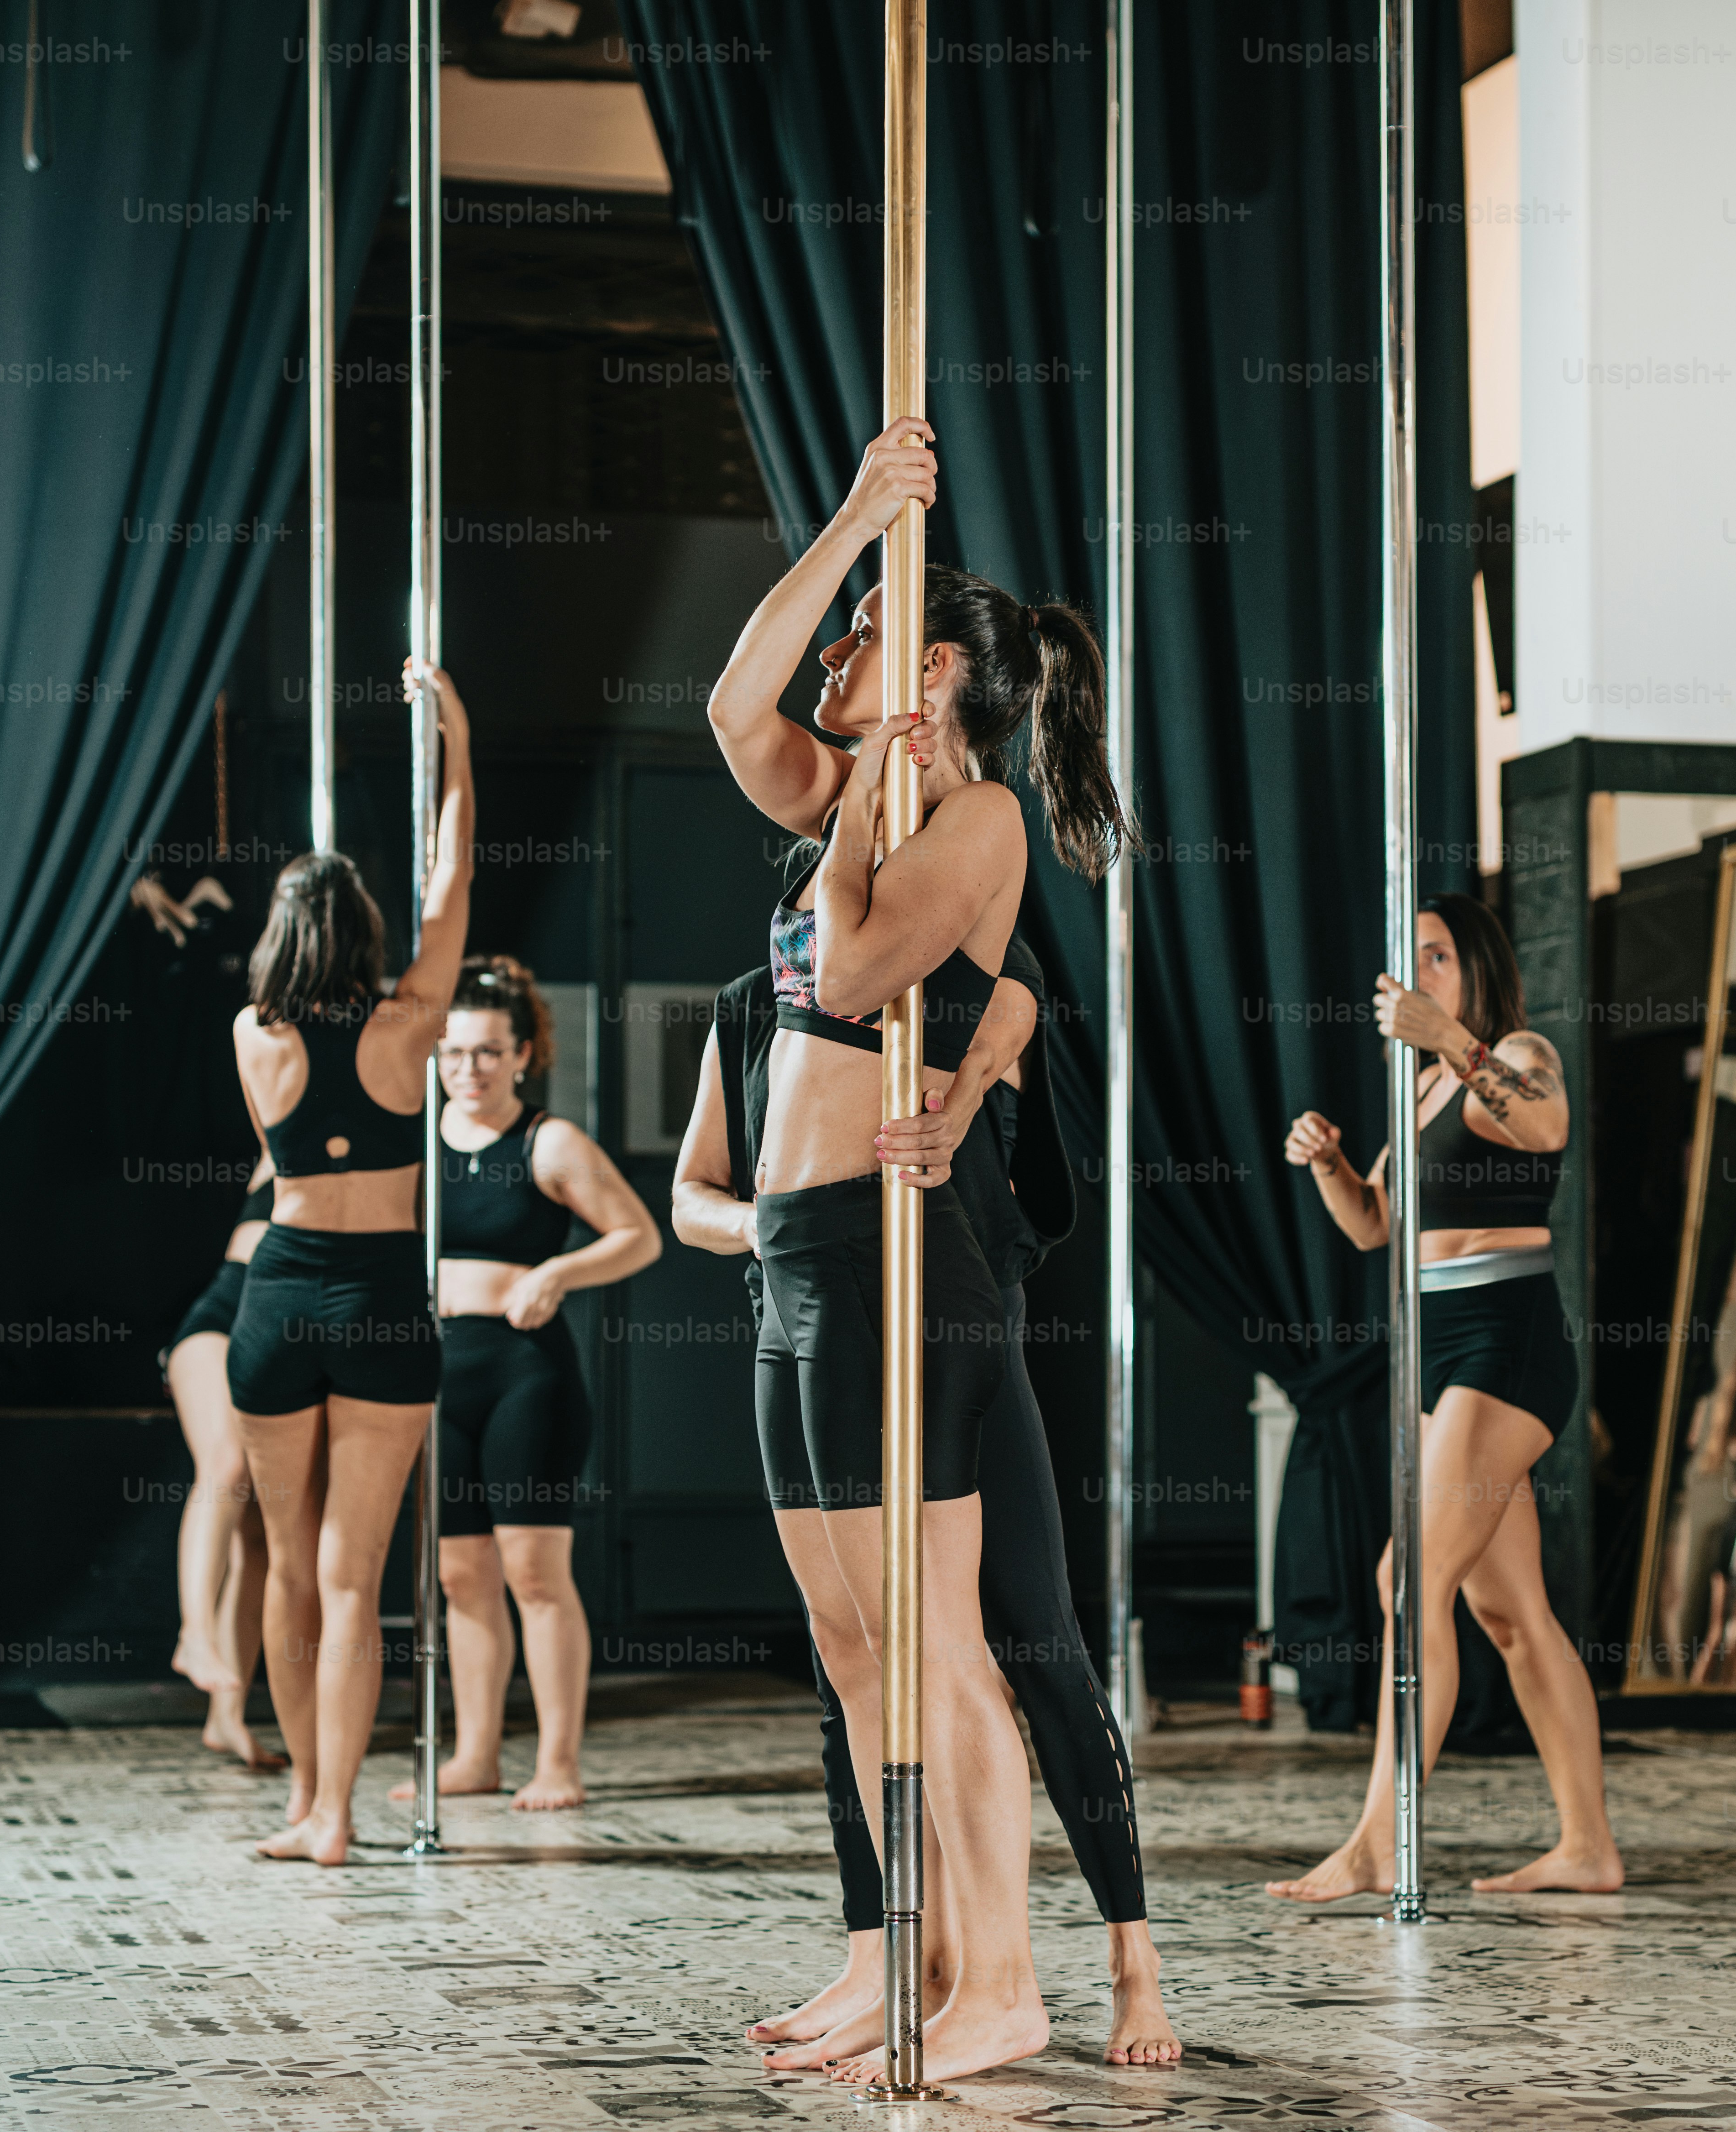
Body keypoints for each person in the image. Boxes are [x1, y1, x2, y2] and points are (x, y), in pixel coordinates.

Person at [701, 419, 1132, 2083]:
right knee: (848, 1642)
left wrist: (860, 824)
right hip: (796, 1254)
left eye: (862, 631)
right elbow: (733, 707)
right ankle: (909, 1958)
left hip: (899, 1262)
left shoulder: (983, 821)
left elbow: (858, 973)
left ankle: (1004, 1984)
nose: (830, 654)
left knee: (938, 1639)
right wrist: (854, 521)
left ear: (931, 668)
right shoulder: (845, 786)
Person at [673, 957, 1180, 2068]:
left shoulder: (972, 977)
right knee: (849, 1658)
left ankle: (1131, 1963)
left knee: (1035, 1640)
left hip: (954, 1315)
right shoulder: (752, 1003)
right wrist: (772, 1219)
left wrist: (949, 1105)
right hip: (804, 1308)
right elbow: (691, 1194)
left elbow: (1001, 1034)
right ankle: (897, 1960)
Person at [1266, 892, 1625, 1901]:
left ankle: (1379, 1842)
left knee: (1406, 1579)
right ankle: (1588, 1847)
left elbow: (1546, 1123)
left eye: (1438, 955)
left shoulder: (1512, 1052)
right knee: (1509, 1613)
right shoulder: (1422, 1086)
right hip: (1440, 1347)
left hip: (1505, 1341)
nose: (1419, 971)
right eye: (1411, 957)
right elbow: (1375, 1225)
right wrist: (1329, 1164)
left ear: (1476, 965)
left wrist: (1453, 1040)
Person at [226, 659, 472, 1866]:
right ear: (366, 932)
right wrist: (457, 747)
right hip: (378, 1297)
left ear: (279, 936)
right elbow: (454, 880)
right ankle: (333, 1820)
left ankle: (303, 1804)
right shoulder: (409, 1025)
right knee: (351, 1575)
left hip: (278, 1294)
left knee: (286, 1562)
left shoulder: (252, 1034)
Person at [384, 953, 660, 1810]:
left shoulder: (550, 1142)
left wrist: (557, 1273)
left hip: (524, 1378)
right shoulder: (414, 1142)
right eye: (453, 1052)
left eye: (487, 1052)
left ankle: (558, 1763)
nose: (468, 1069)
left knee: (535, 1574)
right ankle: (474, 1756)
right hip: (435, 1378)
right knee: (459, 1577)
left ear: (522, 1055)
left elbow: (639, 1236)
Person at [161, 1151, 283, 1770]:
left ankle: (226, 1718)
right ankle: (195, 1632)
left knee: (258, 1540)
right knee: (227, 1464)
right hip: (222, 1319)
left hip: (289, 1337)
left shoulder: (391, 1157)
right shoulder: (283, 1139)